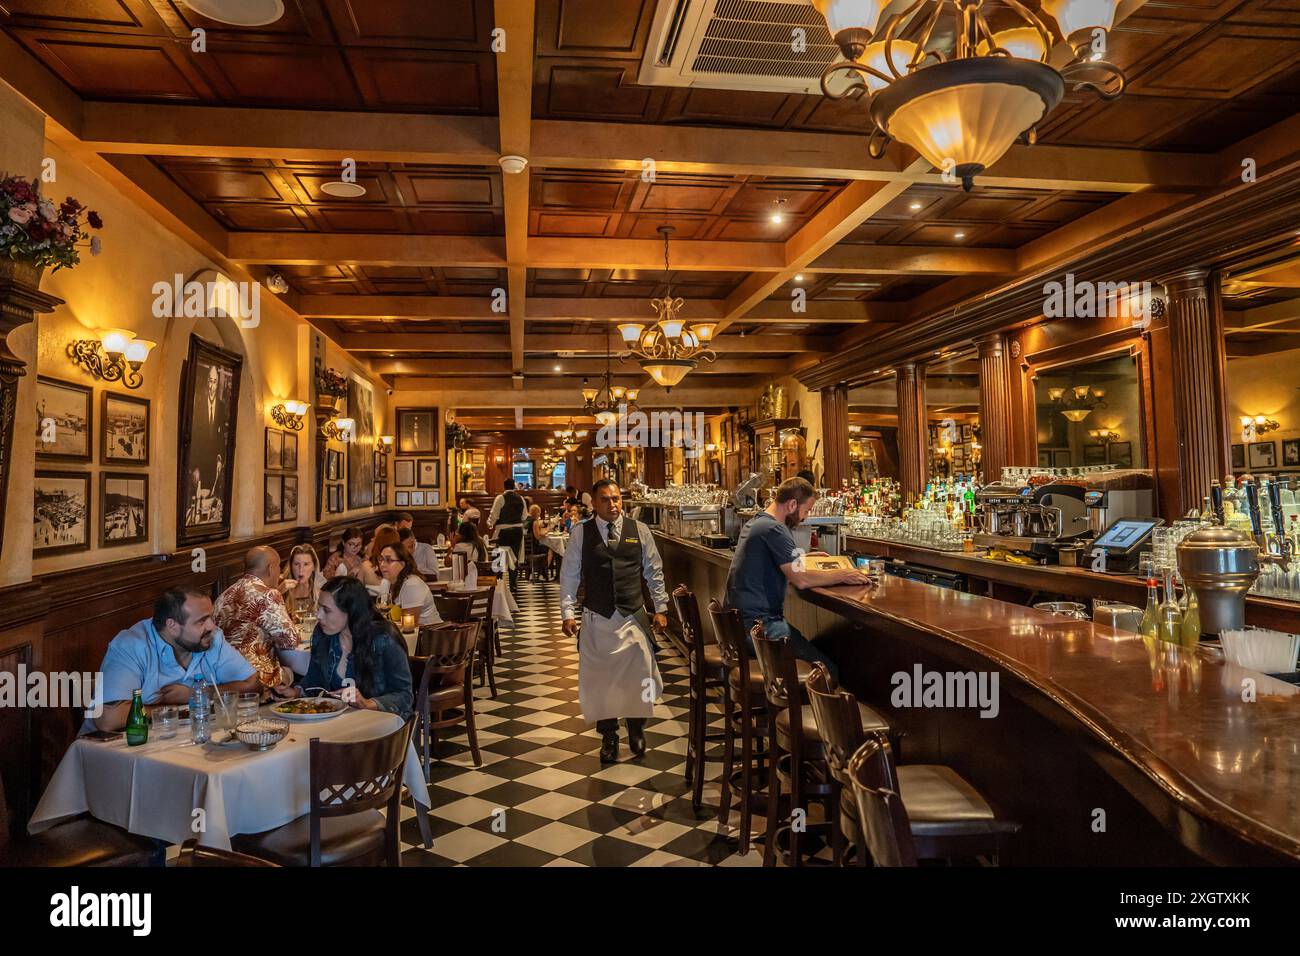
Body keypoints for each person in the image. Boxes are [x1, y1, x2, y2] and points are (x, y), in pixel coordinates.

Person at [560, 479, 669, 764]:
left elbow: (654, 572)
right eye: (606, 500)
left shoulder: (639, 530)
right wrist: (567, 613)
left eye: (617, 499)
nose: (613, 505)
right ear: (593, 503)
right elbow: (569, 575)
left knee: (639, 674)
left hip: (633, 615)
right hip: (597, 617)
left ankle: (636, 727)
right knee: (601, 682)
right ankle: (609, 736)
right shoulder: (581, 534)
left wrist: (661, 607)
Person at [726, 477, 874, 682]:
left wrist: (807, 558)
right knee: (827, 672)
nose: (805, 518)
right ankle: (799, 714)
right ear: (792, 504)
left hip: (742, 624)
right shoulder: (775, 529)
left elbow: (782, 561)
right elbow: (801, 580)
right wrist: (844, 574)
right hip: (761, 626)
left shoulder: (757, 522)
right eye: (806, 511)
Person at [89, 586, 259, 732]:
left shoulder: (211, 639)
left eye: (210, 617)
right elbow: (108, 719)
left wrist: (194, 694)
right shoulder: (131, 646)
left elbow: (252, 685)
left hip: (187, 741)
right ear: (172, 626)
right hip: (122, 752)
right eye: (201, 621)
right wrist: (172, 709)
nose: (212, 627)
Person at [273, 577, 412, 719]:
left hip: (381, 725)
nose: (318, 615)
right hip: (339, 723)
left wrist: (367, 703)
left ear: (351, 612)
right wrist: (296, 692)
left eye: (326, 610)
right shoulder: (322, 634)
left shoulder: (383, 637)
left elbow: (405, 696)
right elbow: (314, 681)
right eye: (319, 607)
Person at [214, 546, 302, 691]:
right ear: (271, 568)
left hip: (224, 677)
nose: (280, 573)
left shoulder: (223, 596)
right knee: (294, 673)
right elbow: (291, 640)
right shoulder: (268, 594)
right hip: (255, 677)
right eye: (279, 567)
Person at [377, 544, 441, 627]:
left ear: (403, 564)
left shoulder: (412, 584)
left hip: (428, 636)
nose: (382, 564)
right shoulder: (386, 583)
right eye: (380, 559)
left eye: (388, 560)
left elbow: (409, 625)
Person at [487, 479, 527, 593]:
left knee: (498, 556)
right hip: (517, 531)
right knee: (514, 557)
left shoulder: (500, 498)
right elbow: (524, 516)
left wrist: (490, 524)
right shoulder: (521, 498)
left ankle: (498, 583)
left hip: (503, 530)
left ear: (504, 486)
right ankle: (513, 585)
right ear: (514, 486)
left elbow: (494, 514)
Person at [280, 543, 326, 607]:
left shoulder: (322, 589)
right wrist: (278, 593)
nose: (301, 569)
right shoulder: (281, 586)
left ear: (314, 567)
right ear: (291, 566)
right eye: (296, 564)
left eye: (306, 564)